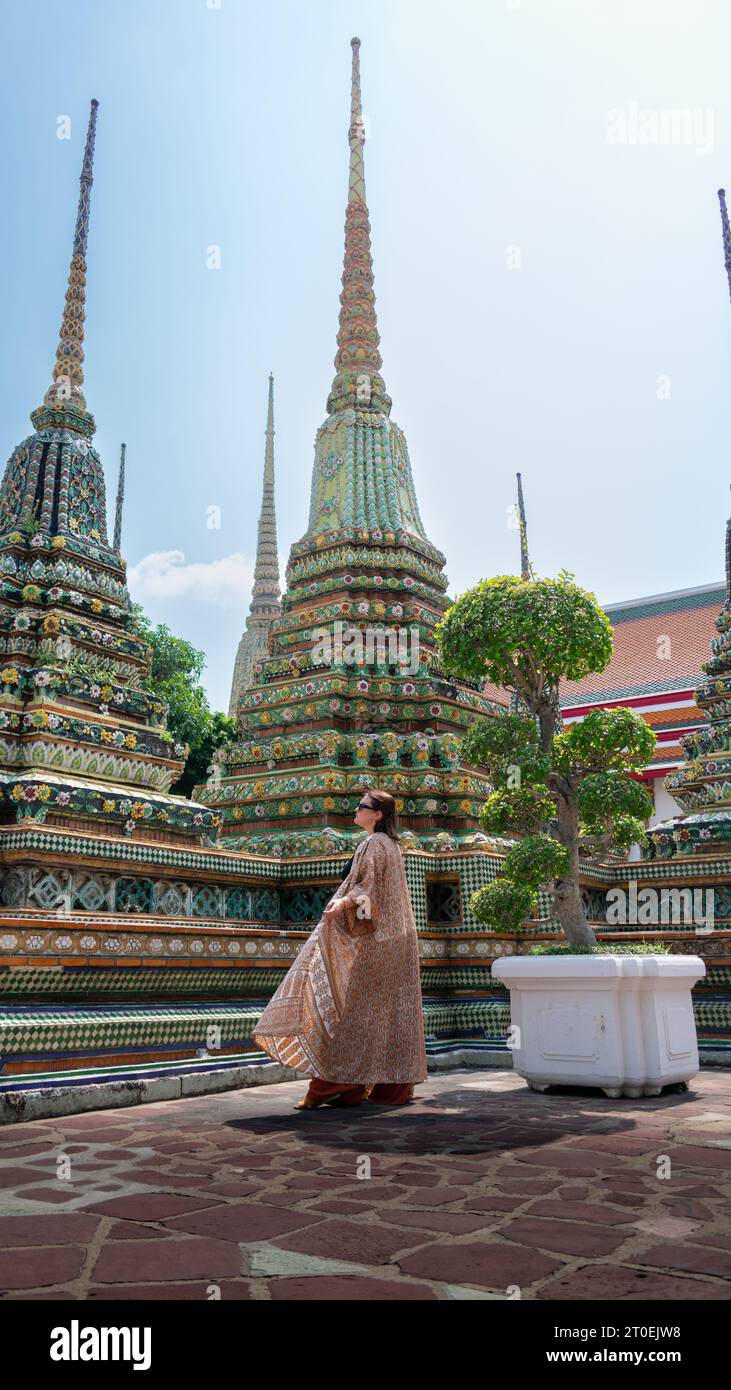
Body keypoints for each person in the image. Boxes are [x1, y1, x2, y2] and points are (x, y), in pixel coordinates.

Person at [251, 787, 427, 1109]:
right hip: (399, 940)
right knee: (391, 1015)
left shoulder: (374, 843)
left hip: (380, 944)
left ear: (378, 815)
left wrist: (343, 901)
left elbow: (368, 890)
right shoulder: (391, 846)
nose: (356, 810)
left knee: (356, 1015)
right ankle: (386, 1088)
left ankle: (332, 1085)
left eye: (363, 806)